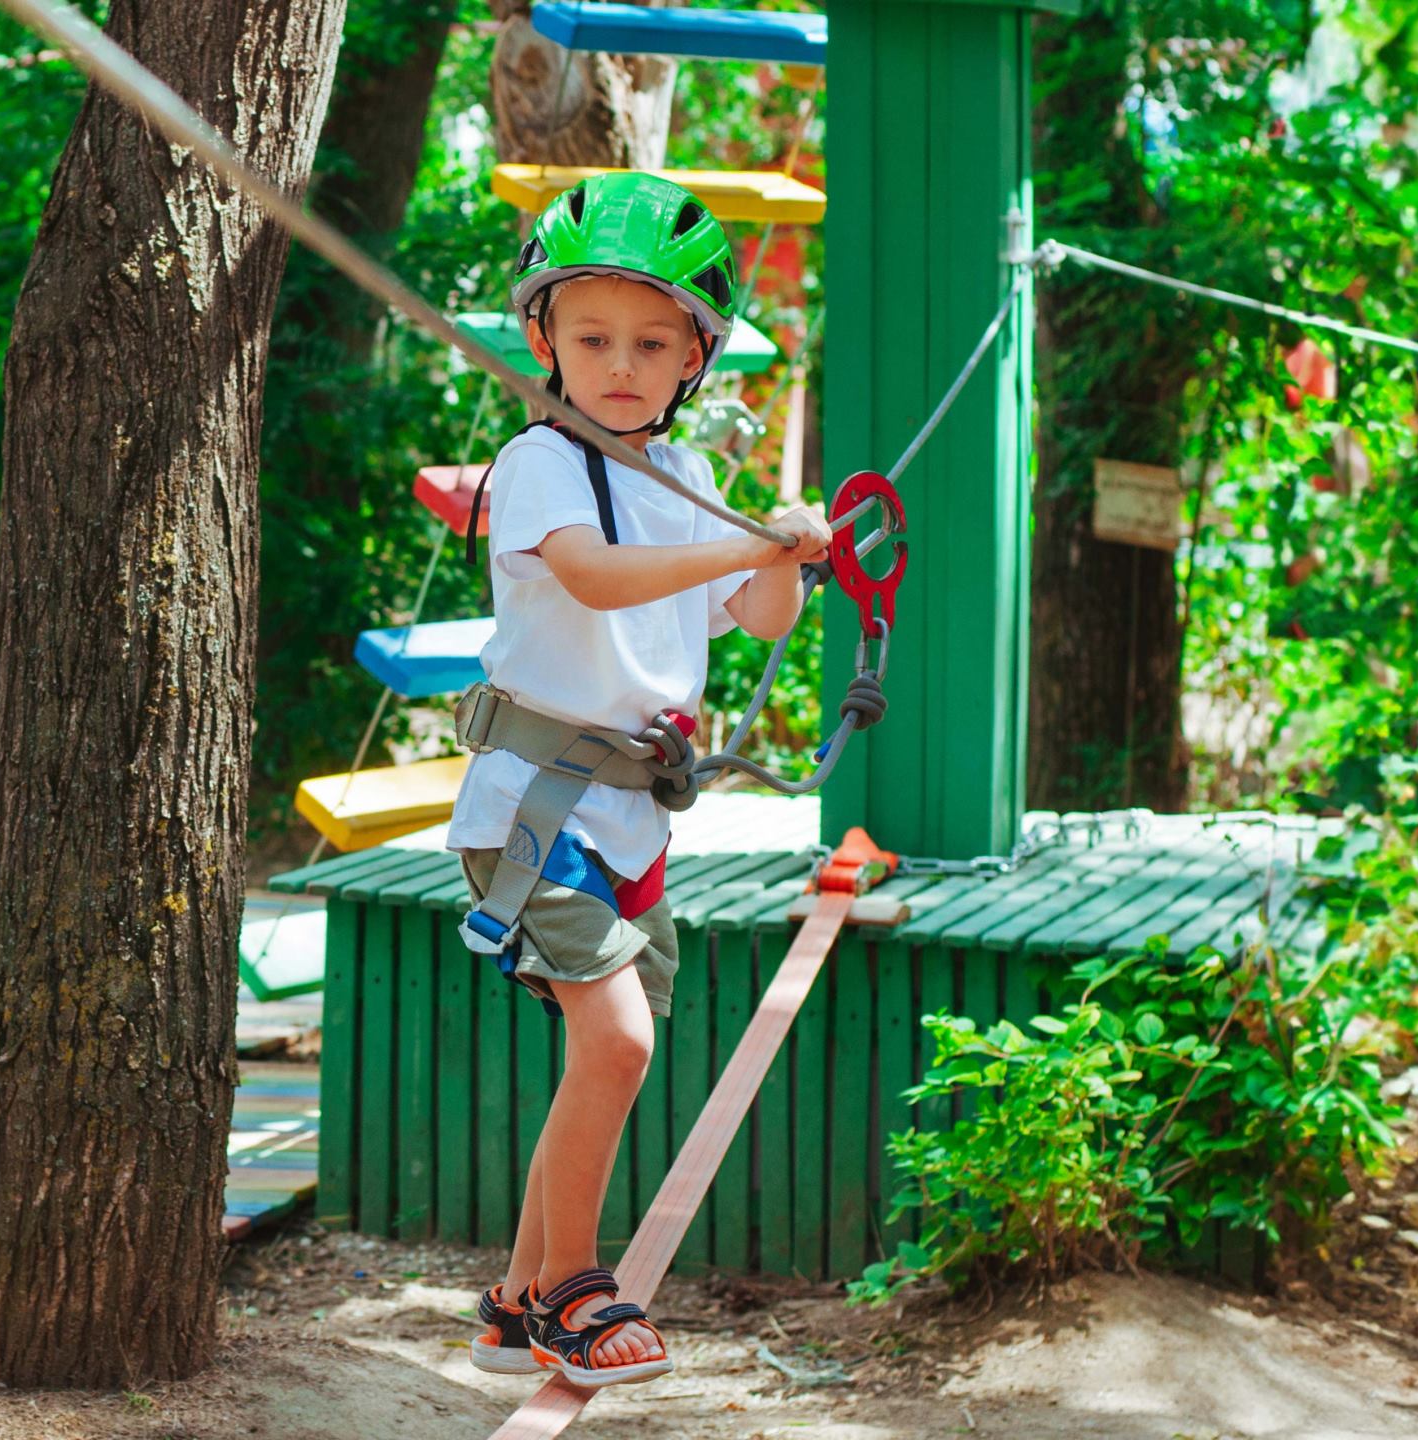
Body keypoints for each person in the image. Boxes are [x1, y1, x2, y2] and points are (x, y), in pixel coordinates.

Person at [454, 172, 831, 1390]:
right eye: (593, 336)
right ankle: (572, 1288)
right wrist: (740, 539)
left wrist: (791, 547)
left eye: (652, 341)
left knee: (610, 1052)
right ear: (544, 342)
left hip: (627, 817)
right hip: (534, 807)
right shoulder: (541, 462)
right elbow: (597, 578)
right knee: (614, 1043)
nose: (620, 363)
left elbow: (759, 608)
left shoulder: (689, 482)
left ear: (694, 359)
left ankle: (515, 1304)